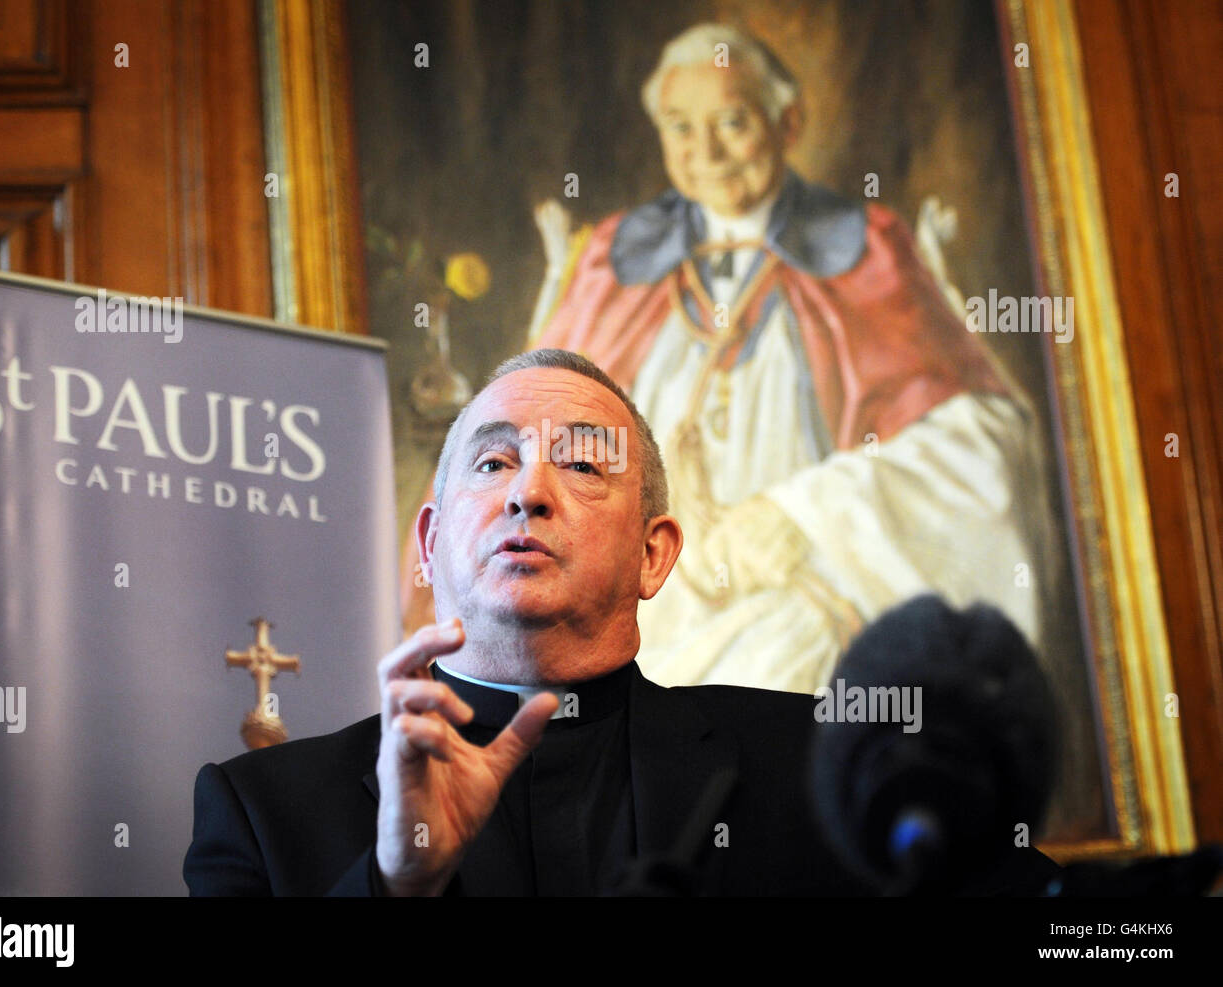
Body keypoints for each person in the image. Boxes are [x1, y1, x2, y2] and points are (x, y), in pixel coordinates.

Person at [184, 348, 1058, 896]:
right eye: (493, 461)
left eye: (583, 465)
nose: (529, 490)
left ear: (654, 553)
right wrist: (394, 884)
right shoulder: (263, 812)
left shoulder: (821, 764)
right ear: (431, 539)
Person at [402, 22, 1059, 699]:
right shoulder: (612, 259)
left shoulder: (867, 251)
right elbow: (526, 427)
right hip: (646, 606)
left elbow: (985, 450)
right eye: (683, 128)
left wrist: (804, 515)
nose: (708, 151)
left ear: (788, 121)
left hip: (797, 596)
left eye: (733, 122)